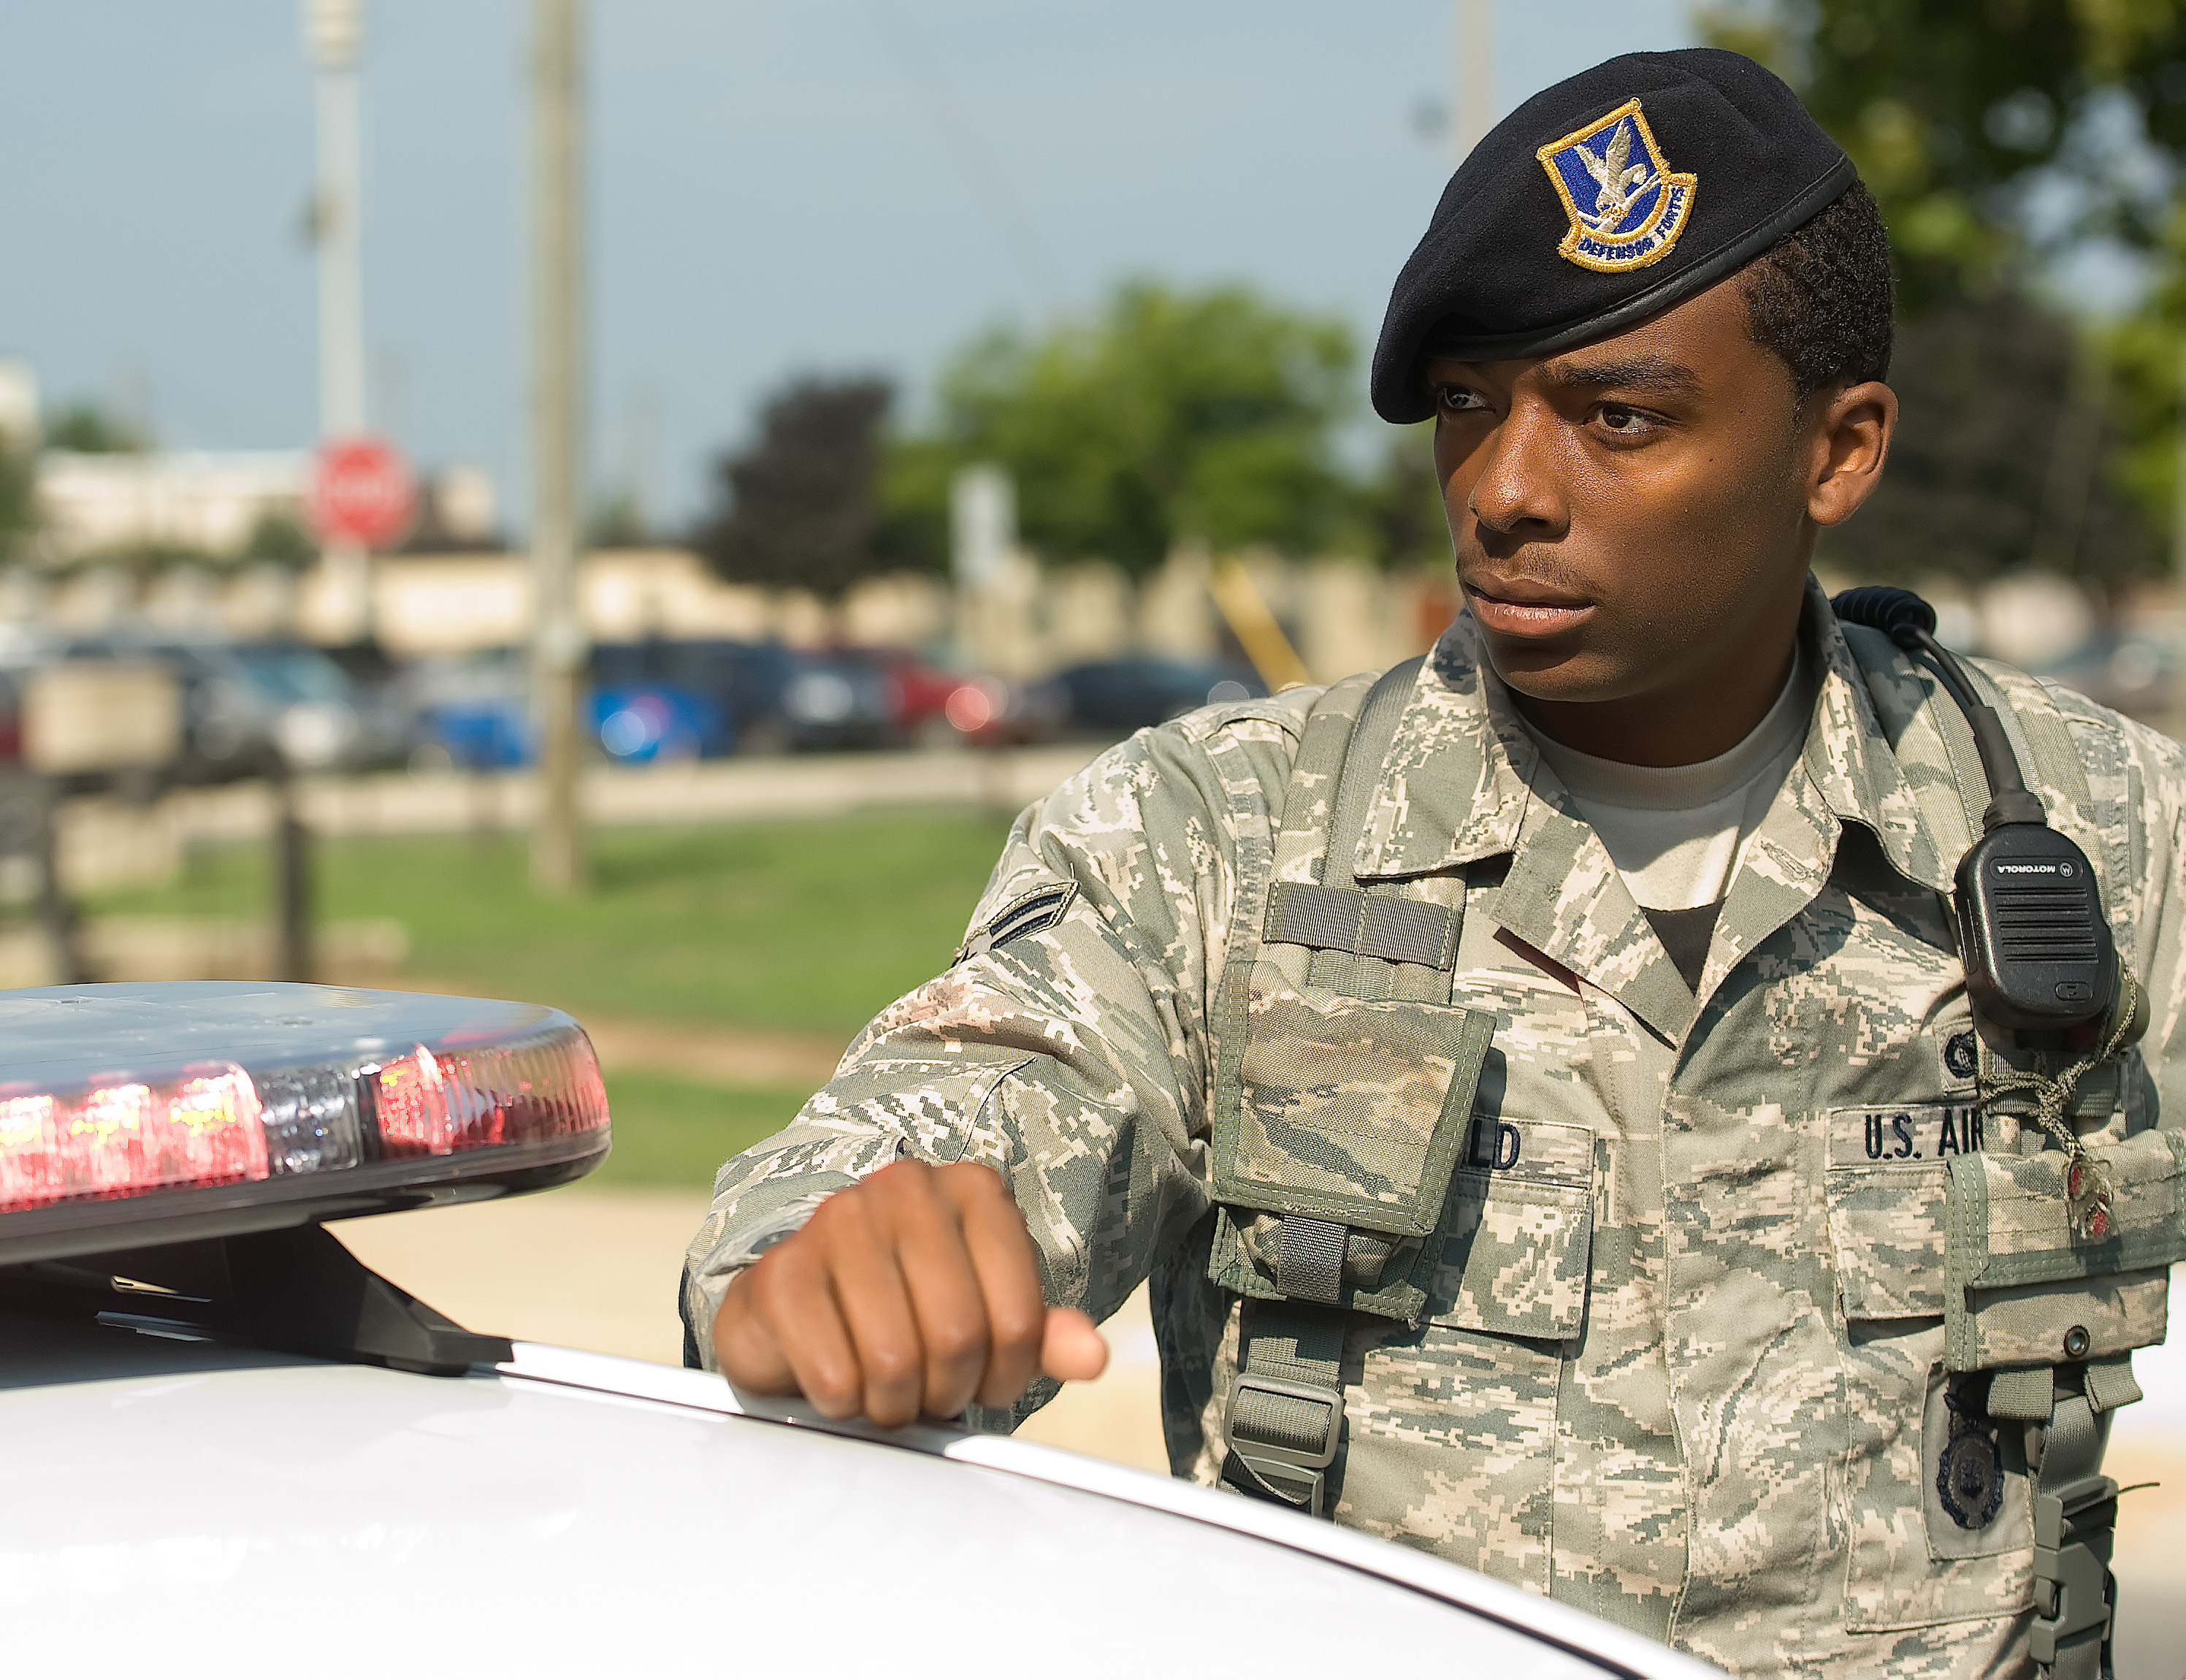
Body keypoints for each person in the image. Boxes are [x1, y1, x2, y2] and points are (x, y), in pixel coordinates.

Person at [684, 47, 2186, 1680]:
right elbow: (934, 1123)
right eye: (1471, 406)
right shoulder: (1223, 836)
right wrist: (831, 1255)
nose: (1507, 492)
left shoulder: (2101, 838)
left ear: (1838, 451)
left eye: (1619, 416)